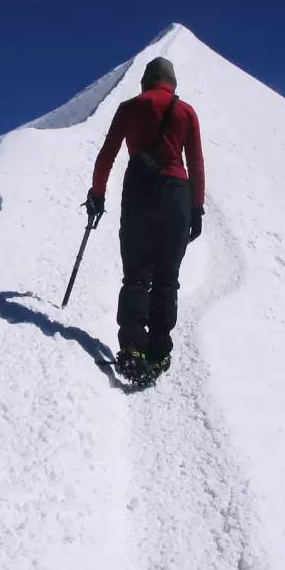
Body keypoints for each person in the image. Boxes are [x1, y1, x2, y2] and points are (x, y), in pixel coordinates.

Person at [85, 57, 205, 383]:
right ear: (172, 83)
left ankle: (132, 350)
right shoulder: (186, 112)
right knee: (167, 279)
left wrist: (97, 194)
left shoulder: (129, 108)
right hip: (177, 195)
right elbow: (195, 162)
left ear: (146, 81)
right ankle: (158, 353)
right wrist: (196, 208)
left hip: (139, 192)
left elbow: (107, 156)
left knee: (137, 275)